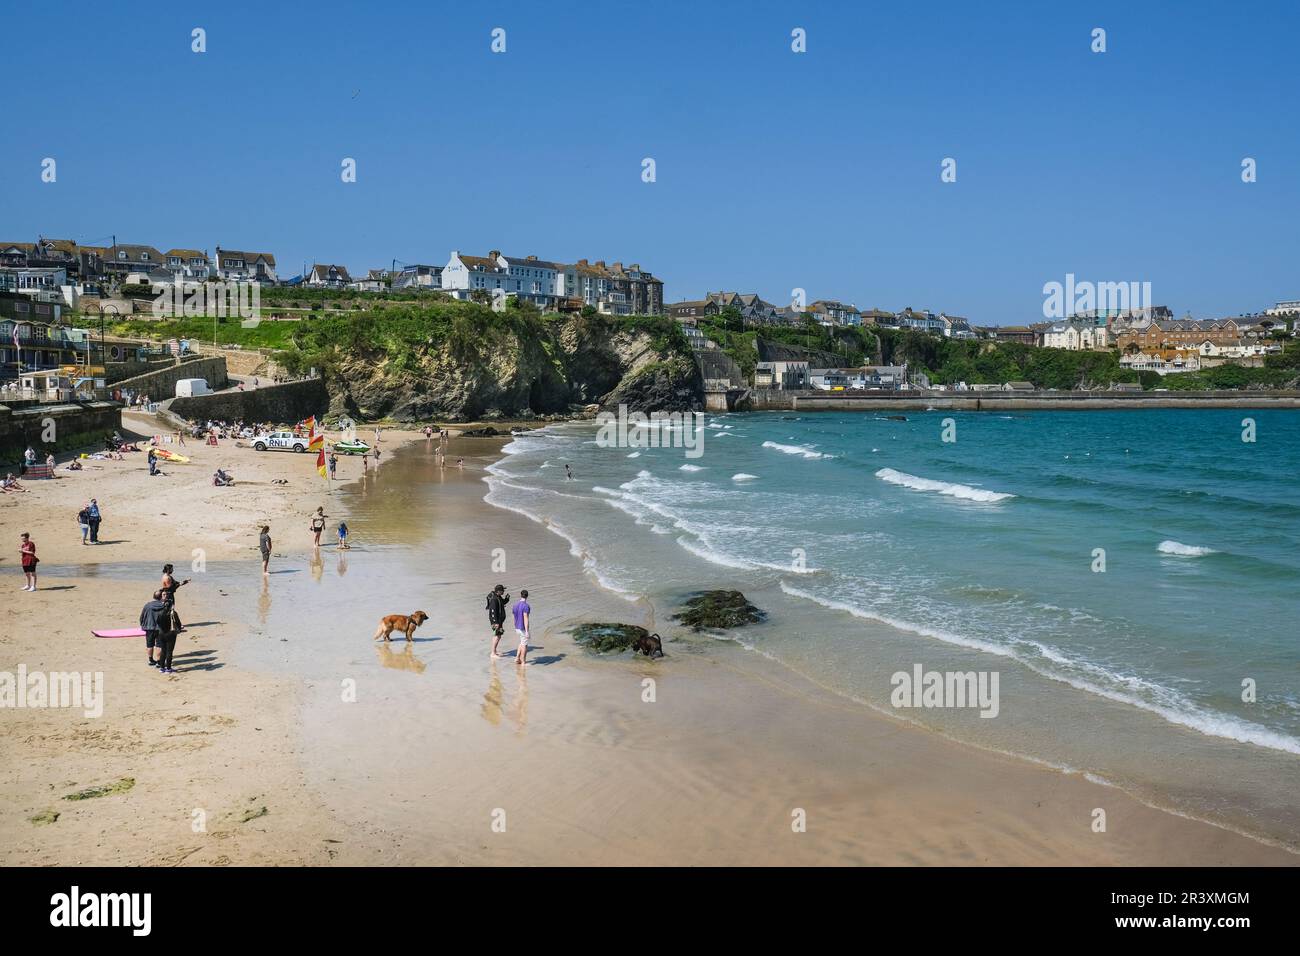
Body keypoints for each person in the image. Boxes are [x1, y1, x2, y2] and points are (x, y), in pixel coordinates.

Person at [140, 590, 175, 672]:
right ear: (161, 597)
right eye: (164, 595)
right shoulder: (164, 606)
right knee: (159, 645)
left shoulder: (147, 605)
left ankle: (151, 660)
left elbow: (142, 616)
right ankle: (159, 662)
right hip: (160, 628)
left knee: (149, 644)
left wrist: (142, 624)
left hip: (149, 627)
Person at [160, 564, 189, 632]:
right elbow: (170, 588)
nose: (173, 570)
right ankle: (176, 625)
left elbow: (176, 583)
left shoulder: (169, 576)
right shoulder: (166, 578)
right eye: (171, 569)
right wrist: (179, 585)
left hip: (170, 594)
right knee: (170, 610)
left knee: (171, 610)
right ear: (168, 570)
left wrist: (185, 581)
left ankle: (175, 624)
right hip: (168, 595)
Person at [485, 584, 509, 658]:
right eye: (502, 590)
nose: (503, 591)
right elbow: (492, 611)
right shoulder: (494, 599)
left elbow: (502, 602)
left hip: (499, 621)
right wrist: (495, 623)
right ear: (498, 591)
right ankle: (492, 653)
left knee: (498, 635)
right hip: (496, 622)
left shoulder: (498, 597)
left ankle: (494, 651)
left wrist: (507, 599)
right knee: (497, 636)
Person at [512, 589, 531, 665]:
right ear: (527, 596)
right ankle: (523, 662)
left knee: (521, 642)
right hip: (522, 628)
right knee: (525, 645)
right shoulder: (526, 606)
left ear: (521, 595)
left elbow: (514, 617)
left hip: (517, 627)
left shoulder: (515, 605)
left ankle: (517, 658)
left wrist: (515, 626)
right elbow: (525, 618)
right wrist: (527, 631)